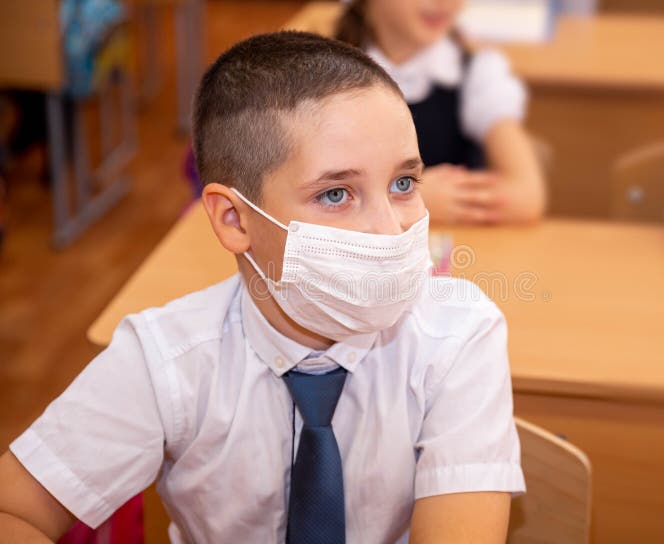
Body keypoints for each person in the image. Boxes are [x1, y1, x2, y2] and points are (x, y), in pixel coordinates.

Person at [0, 32, 524, 543]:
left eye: (403, 184)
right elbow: (13, 510)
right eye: (337, 194)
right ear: (233, 218)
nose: (390, 230)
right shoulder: (167, 361)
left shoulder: (459, 337)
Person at [335, 0, 547, 225]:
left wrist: (400, 202)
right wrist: (416, 199)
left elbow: (527, 196)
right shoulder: (321, 78)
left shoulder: (476, 71)